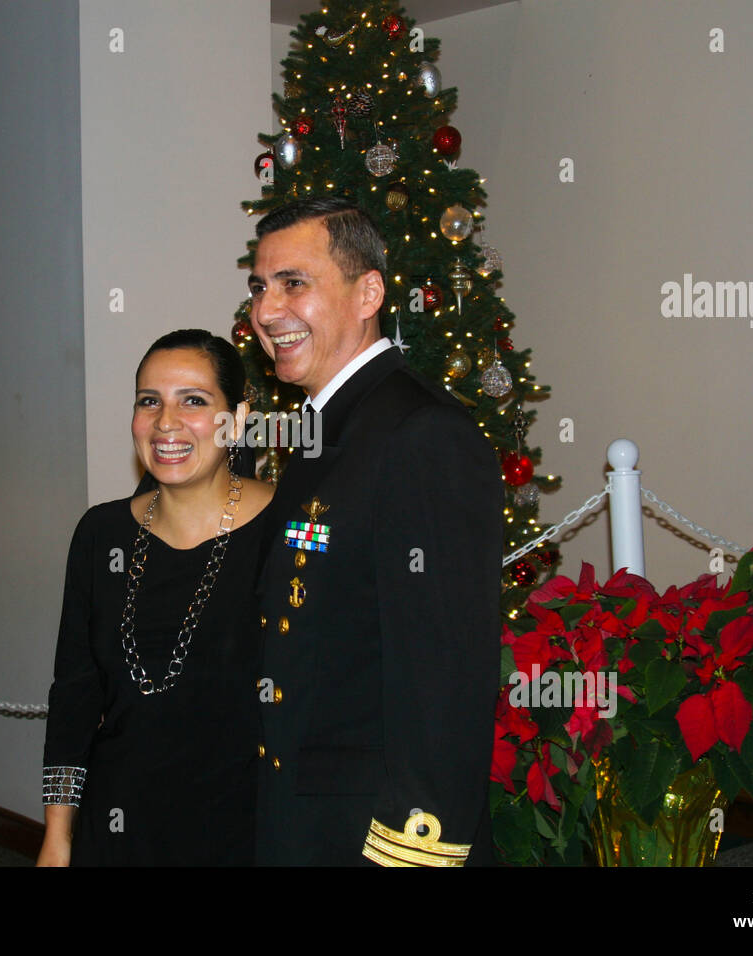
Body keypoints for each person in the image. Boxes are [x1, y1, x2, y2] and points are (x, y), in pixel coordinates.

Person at [248, 197, 503, 866]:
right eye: (259, 286)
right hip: (307, 816)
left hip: (374, 836)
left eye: (293, 283)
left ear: (369, 292)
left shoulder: (422, 434)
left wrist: (413, 849)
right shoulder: (328, 428)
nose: (267, 311)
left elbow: (447, 677)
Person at [37, 329, 274, 866]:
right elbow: (75, 692)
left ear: (235, 421)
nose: (166, 423)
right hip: (121, 821)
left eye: (194, 400)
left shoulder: (289, 531)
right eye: (150, 401)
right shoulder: (101, 534)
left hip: (247, 826)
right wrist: (58, 835)